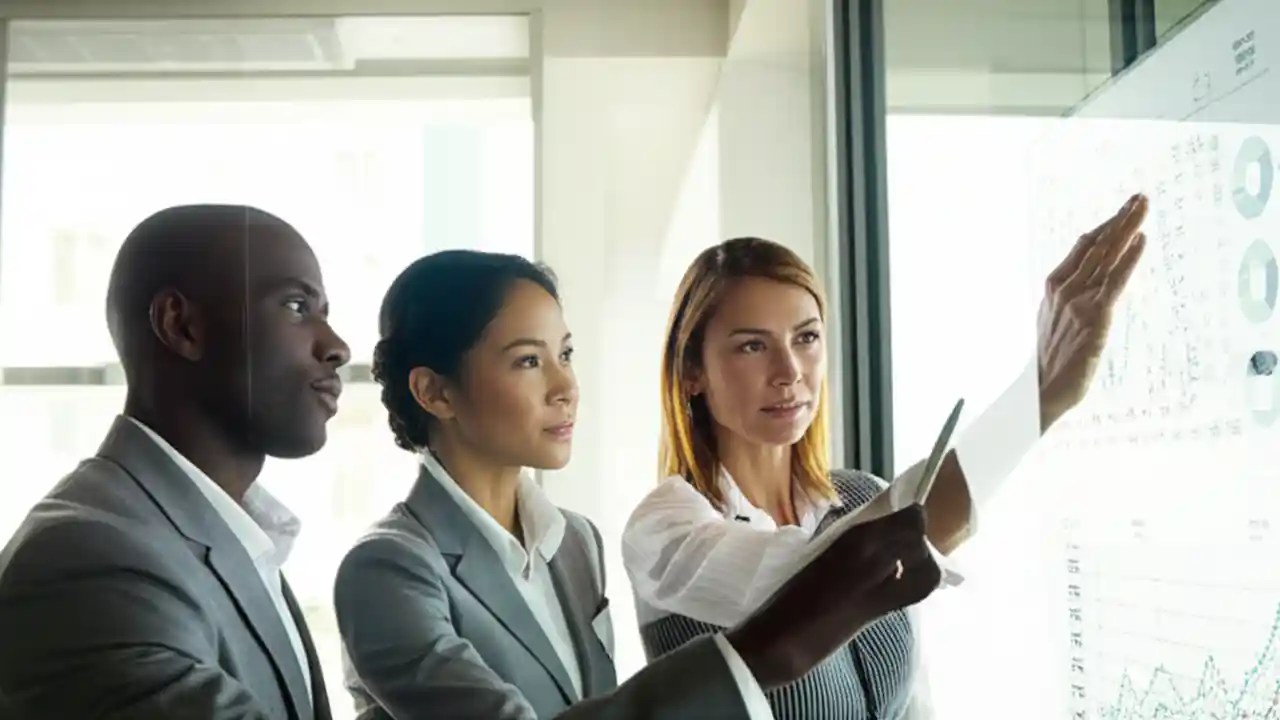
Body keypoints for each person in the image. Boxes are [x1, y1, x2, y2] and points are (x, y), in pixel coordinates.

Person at [334, 250, 943, 720]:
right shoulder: (387, 569)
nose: (565, 386)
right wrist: (753, 656)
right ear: (434, 391)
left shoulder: (574, 543)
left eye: (565, 353)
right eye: (527, 360)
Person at [621, 194, 1150, 719]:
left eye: (806, 338)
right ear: (692, 372)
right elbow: (824, 576)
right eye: (752, 346)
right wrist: (1040, 396)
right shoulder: (664, 528)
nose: (789, 371)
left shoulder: (862, 495)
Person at [0, 204, 351, 719]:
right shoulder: (92, 559)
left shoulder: (227, 535)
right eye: (297, 306)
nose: (337, 347)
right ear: (181, 325)